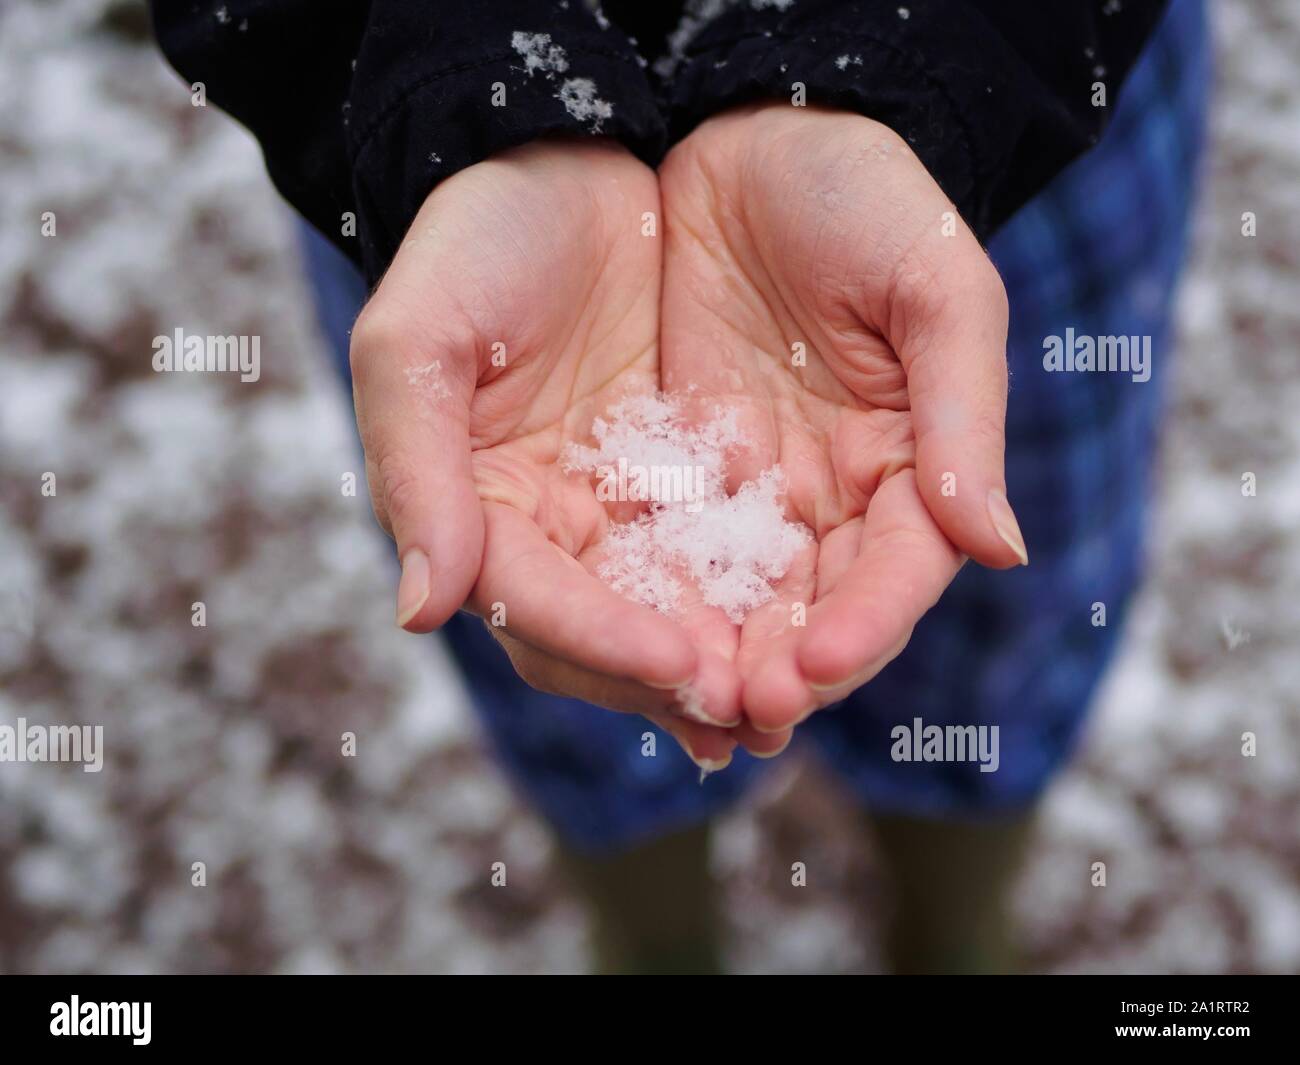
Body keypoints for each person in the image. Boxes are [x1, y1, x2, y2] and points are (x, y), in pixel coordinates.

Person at [151, 0, 1209, 972]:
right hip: (421, 135)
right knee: (561, 628)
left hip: (1015, 80)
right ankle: (656, 943)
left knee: (995, 611)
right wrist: (463, 92)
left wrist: (899, 62)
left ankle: (952, 930)